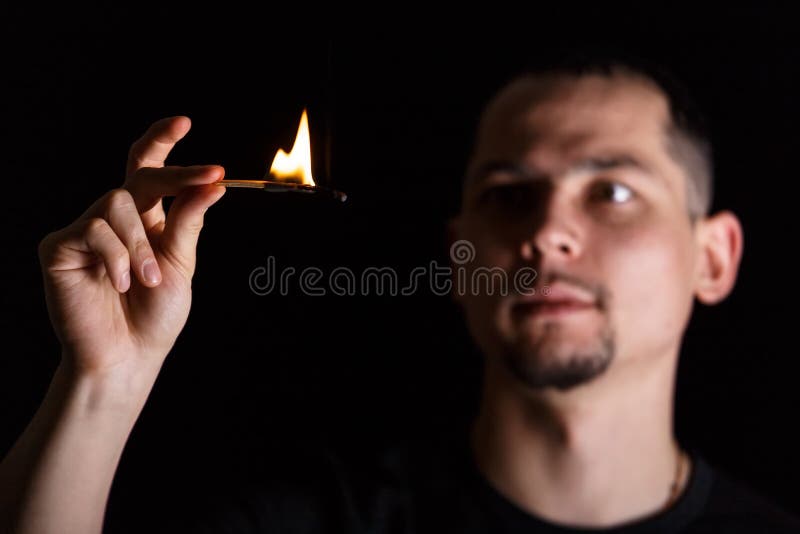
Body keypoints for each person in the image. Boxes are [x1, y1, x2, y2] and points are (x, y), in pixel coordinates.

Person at [2, 51, 799, 534]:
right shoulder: (313, 522)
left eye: (613, 193)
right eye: (507, 192)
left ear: (714, 257)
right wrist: (102, 383)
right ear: (459, 258)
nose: (547, 233)